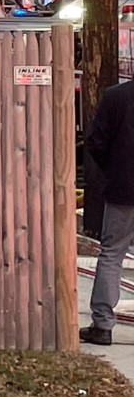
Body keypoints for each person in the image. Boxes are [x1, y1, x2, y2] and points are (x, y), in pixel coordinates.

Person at [81, 80, 134, 345]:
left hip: (123, 188)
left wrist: (112, 171)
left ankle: (102, 324)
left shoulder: (116, 96)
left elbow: (96, 141)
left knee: (112, 253)